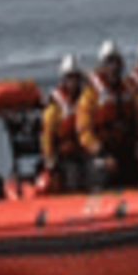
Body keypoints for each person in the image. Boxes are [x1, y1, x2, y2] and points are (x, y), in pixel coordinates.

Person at [76, 39, 138, 189]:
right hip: (100, 151)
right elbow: (84, 131)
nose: (114, 67)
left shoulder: (127, 91)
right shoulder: (91, 95)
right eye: (110, 63)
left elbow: (137, 118)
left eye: (117, 62)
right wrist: (101, 153)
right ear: (103, 66)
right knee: (105, 171)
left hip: (124, 148)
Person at [40, 54, 86, 193]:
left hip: (85, 151)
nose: (73, 82)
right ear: (64, 79)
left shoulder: (87, 99)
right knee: (75, 177)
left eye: (76, 78)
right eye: (70, 78)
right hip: (65, 156)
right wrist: (50, 158)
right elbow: (47, 135)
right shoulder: (56, 105)